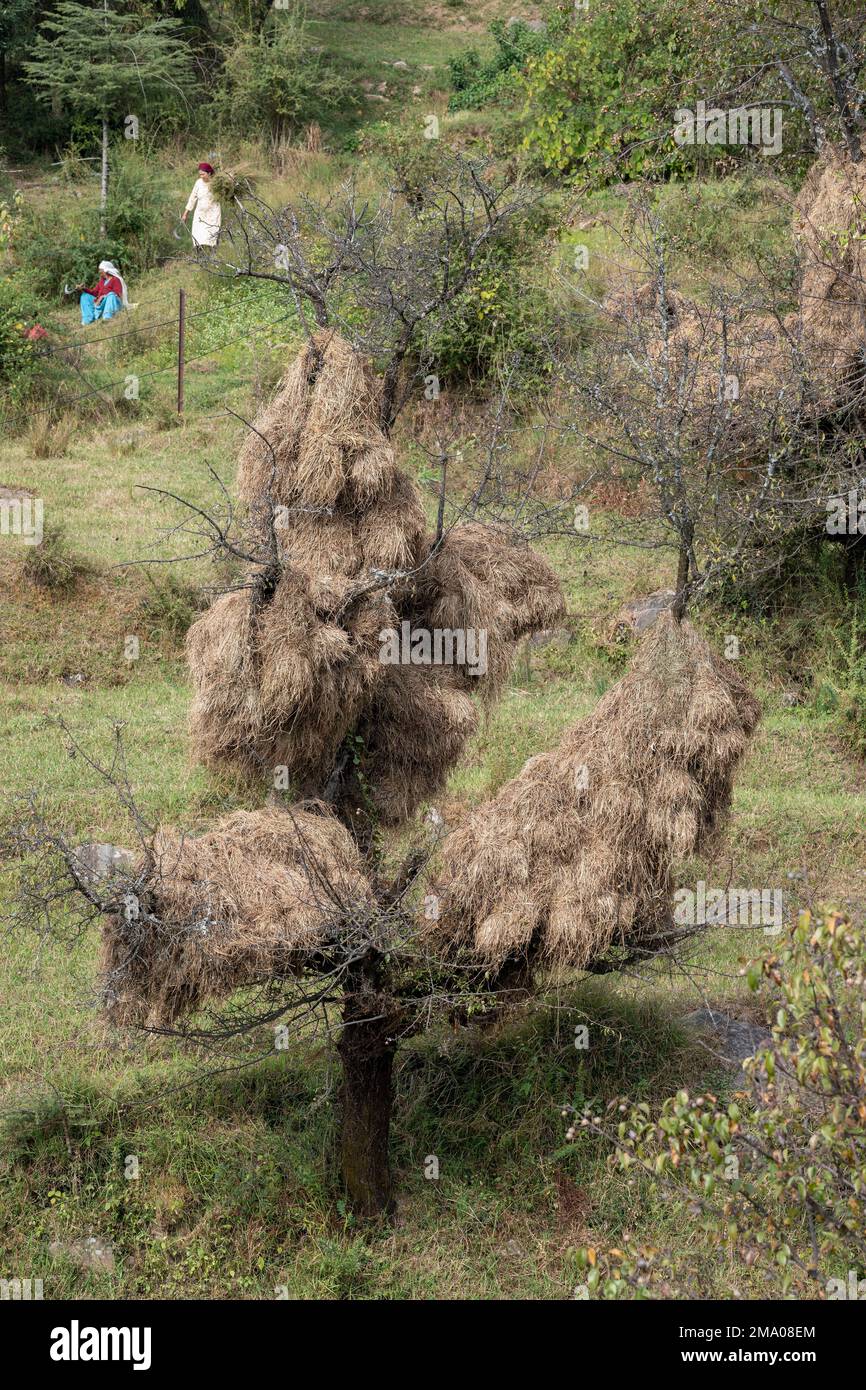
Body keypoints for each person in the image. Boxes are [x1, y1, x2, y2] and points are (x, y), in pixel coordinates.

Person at [182, 162, 221, 249]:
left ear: (209, 173)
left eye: (203, 174)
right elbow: (192, 198)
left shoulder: (216, 183)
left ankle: (213, 256)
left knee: (211, 236)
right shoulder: (198, 183)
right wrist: (185, 214)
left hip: (213, 214)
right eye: (200, 174)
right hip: (200, 214)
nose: (201, 176)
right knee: (198, 236)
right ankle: (200, 256)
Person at [78, 261, 129, 325]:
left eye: (100, 270)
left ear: (106, 270)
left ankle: (107, 317)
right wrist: (84, 288)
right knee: (84, 296)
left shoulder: (115, 280)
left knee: (111, 295)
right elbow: (94, 292)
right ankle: (88, 319)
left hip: (111, 302)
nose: (99, 272)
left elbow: (118, 294)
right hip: (100, 303)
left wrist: (104, 296)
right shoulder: (102, 281)